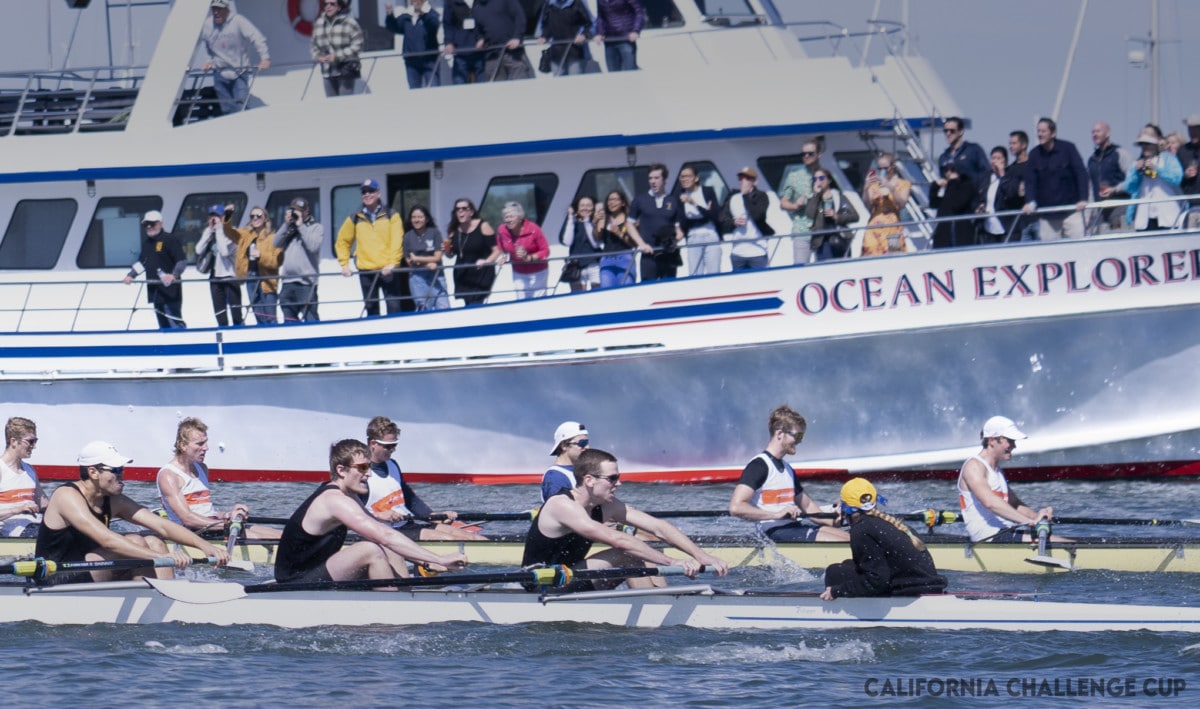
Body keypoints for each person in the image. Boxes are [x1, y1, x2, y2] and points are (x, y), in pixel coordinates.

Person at [521, 447, 728, 591]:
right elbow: (618, 539)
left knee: (645, 547)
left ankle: (663, 600)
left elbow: (658, 527)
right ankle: (655, 608)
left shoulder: (606, 506)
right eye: (612, 478)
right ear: (589, 480)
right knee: (628, 552)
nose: (618, 484)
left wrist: (701, 555)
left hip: (572, 577)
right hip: (543, 583)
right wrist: (672, 562)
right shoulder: (562, 505)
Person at [275, 439, 468, 583]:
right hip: (295, 579)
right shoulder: (334, 500)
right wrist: (439, 559)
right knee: (369, 549)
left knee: (384, 545)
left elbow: (382, 534)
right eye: (363, 467)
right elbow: (384, 534)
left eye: (369, 467)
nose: (369, 474)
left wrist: (425, 562)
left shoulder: (350, 496)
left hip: (318, 570)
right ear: (341, 470)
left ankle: (405, 594)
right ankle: (396, 613)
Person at [35, 441, 228, 584]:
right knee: (136, 541)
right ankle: (152, 597)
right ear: (93, 472)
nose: (121, 475)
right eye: (116, 470)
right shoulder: (66, 496)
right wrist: (161, 558)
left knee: (154, 541)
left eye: (122, 469)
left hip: (92, 569)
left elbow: (162, 525)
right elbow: (108, 541)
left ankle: (164, 594)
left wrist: (205, 546)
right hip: (56, 575)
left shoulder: (112, 499)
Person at [728, 405, 848, 542]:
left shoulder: (788, 469)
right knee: (845, 543)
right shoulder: (759, 466)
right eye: (797, 435)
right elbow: (736, 507)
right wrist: (776, 514)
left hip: (793, 527)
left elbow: (808, 507)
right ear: (780, 434)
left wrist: (838, 519)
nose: (800, 440)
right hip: (772, 533)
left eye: (801, 435)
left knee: (851, 538)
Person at [819, 478, 947, 600]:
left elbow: (877, 582)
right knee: (849, 564)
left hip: (910, 591)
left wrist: (837, 591)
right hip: (929, 585)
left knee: (834, 572)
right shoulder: (891, 522)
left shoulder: (861, 529)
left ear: (845, 507)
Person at [359, 416, 484, 541]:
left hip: (405, 525)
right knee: (449, 539)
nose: (393, 450)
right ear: (373, 444)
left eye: (395, 445)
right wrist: (377, 515)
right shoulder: (361, 471)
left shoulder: (393, 464)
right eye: (389, 446)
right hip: (383, 532)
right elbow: (347, 509)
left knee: (473, 537)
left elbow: (411, 500)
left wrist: (434, 516)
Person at [156, 417, 280, 541]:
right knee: (263, 537)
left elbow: (206, 512)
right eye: (200, 444)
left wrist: (228, 515)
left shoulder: (202, 468)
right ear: (183, 445)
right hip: (190, 535)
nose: (206, 448)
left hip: (209, 529)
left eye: (205, 442)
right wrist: (226, 525)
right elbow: (187, 519)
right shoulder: (169, 476)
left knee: (282, 535)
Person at [957, 415, 1061, 543]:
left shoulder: (997, 472)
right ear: (991, 440)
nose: (1014, 446)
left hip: (1004, 530)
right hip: (987, 536)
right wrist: (1030, 522)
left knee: (1065, 541)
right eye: (1010, 441)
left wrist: (1039, 517)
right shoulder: (974, 466)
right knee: (1061, 543)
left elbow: (1015, 505)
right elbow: (990, 502)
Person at [337, 178, 405, 317]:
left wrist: (393, 263)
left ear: (378, 193)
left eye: (371, 191)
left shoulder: (392, 215)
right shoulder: (355, 217)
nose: (367, 195)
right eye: (364, 192)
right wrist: (344, 264)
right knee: (372, 310)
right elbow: (343, 241)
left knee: (394, 307)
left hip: (388, 270)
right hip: (366, 271)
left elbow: (397, 241)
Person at [194, 0, 269, 115]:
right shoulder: (207, 26)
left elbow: (257, 37)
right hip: (219, 72)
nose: (216, 12)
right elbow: (208, 46)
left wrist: (265, 58)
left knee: (242, 105)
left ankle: (248, 129)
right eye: (214, 9)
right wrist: (208, 61)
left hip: (239, 71)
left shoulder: (238, 21)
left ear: (227, 9)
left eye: (219, 9)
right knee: (227, 109)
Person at [1021, 117, 1089, 239]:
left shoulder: (1068, 149)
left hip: (1071, 211)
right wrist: (1030, 201)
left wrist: (1083, 198)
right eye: (1038, 131)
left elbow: (1081, 173)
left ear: (1053, 133)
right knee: (1050, 254)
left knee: (1079, 248)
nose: (1039, 134)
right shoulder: (1034, 154)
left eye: (1043, 131)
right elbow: (1030, 181)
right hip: (1047, 216)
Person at [123, 210, 186, 329]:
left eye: (151, 223)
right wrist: (131, 275)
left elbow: (181, 261)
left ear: (160, 223)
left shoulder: (170, 239)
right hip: (155, 292)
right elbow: (142, 263)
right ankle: (168, 346)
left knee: (175, 322)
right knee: (163, 326)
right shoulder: (147, 243)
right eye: (146, 224)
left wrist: (174, 275)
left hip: (170, 291)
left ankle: (183, 344)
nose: (148, 226)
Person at [1122, 127, 1184, 232]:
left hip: (1168, 217)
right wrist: (1136, 172)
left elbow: (1177, 178)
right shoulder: (1136, 163)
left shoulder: (1168, 159)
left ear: (1155, 145)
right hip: (1145, 219)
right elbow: (1129, 188)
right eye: (1142, 144)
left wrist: (1157, 170)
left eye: (1148, 144)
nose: (1145, 147)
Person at [630, 163, 684, 280]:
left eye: (656, 178)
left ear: (665, 179)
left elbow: (679, 230)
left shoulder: (673, 200)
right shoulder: (640, 199)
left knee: (669, 290)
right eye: (650, 178)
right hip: (648, 255)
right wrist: (641, 244)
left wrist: (674, 240)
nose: (653, 181)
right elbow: (629, 224)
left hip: (669, 255)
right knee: (648, 291)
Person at [274, 196, 323, 323]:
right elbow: (275, 243)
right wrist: (286, 224)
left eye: (300, 211)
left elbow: (313, 246)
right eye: (294, 210)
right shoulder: (289, 228)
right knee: (289, 322)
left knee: (311, 321)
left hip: (306, 284)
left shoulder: (316, 227)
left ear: (307, 211)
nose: (297, 213)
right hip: (287, 283)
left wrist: (301, 225)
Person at [194, 203, 244, 327]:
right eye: (211, 216)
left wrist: (220, 230)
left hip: (230, 277)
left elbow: (224, 251)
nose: (213, 219)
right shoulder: (210, 232)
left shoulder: (233, 232)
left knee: (236, 313)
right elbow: (198, 250)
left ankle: (240, 336)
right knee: (220, 314)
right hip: (215, 278)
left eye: (217, 216)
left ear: (223, 218)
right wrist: (210, 231)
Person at [445, 198, 501, 305]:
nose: (460, 211)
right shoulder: (453, 230)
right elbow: (451, 255)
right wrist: (446, 251)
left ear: (471, 212)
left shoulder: (483, 226)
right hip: (462, 274)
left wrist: (486, 261)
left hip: (480, 273)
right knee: (469, 305)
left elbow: (496, 250)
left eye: (464, 208)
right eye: (458, 209)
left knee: (475, 304)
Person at [719, 166, 775, 269]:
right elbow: (722, 220)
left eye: (747, 178)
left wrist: (745, 196)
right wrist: (733, 222)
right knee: (739, 284)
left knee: (759, 283)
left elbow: (758, 215)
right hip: (737, 253)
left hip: (758, 252)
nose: (742, 181)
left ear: (755, 182)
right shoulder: (733, 198)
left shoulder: (762, 196)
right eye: (741, 178)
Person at [234, 205, 282, 325]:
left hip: (267, 280)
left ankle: (274, 340)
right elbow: (229, 232)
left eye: (258, 215)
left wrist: (260, 255)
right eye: (252, 216)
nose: (255, 218)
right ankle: (264, 339)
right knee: (258, 315)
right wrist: (227, 217)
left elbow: (275, 262)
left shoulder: (273, 237)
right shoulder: (246, 236)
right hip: (250, 277)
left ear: (265, 218)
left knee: (270, 316)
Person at [0, 417, 47, 539]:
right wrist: (18, 509)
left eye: (35, 441)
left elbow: (45, 505)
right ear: (14, 441)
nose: (34, 446)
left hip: (36, 525)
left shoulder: (29, 470)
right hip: (12, 531)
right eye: (30, 441)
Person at [594, 190, 652, 287]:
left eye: (615, 200)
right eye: (609, 200)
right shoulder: (605, 218)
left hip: (625, 258)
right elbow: (597, 238)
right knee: (606, 289)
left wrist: (619, 233)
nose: (611, 202)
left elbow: (634, 244)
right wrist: (595, 223)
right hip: (607, 259)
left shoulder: (629, 220)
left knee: (627, 287)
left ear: (623, 203)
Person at [859, 153, 911, 256]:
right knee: (871, 255)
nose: (883, 171)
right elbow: (867, 205)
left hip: (893, 227)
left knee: (894, 257)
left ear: (893, 167)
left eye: (886, 168)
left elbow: (902, 204)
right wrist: (865, 188)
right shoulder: (874, 185)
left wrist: (891, 188)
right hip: (874, 227)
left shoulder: (903, 184)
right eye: (880, 168)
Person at [496, 202, 550, 299]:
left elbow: (545, 250)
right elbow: (501, 248)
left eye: (511, 217)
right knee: (521, 299)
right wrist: (503, 257)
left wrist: (529, 257)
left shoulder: (533, 229)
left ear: (520, 218)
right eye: (506, 217)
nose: (508, 220)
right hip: (518, 271)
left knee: (538, 301)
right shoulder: (502, 230)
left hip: (538, 271)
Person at [675, 164, 721, 276]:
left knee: (714, 274)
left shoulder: (707, 191)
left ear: (696, 178)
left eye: (688, 176)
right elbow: (682, 221)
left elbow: (715, 215)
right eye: (682, 176)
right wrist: (704, 212)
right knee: (695, 274)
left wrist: (693, 203)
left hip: (710, 234)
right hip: (693, 236)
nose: (684, 179)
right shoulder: (679, 196)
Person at [312, 0, 365, 97]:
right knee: (331, 108)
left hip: (346, 71)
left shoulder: (349, 22)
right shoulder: (319, 24)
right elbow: (314, 47)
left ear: (339, 7)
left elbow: (358, 45)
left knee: (345, 106)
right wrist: (318, 57)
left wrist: (337, 56)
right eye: (325, 4)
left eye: (332, 4)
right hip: (327, 73)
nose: (328, 6)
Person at [779, 141, 821, 265]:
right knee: (801, 269)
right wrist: (796, 206)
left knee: (827, 270)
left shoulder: (827, 175)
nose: (806, 156)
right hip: (802, 229)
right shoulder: (793, 176)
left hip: (824, 230)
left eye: (810, 153)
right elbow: (783, 203)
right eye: (803, 154)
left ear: (819, 154)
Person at [384, 0, 441, 89]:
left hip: (429, 60)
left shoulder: (431, 14)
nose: (415, 2)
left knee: (434, 89)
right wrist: (389, 15)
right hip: (411, 61)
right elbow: (395, 27)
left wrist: (424, 14)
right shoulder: (406, 16)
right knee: (415, 92)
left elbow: (434, 26)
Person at [402, 205, 450, 310]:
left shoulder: (435, 233)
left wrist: (418, 259)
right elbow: (409, 261)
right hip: (418, 278)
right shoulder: (407, 236)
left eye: (420, 217)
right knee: (423, 307)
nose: (416, 220)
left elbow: (437, 257)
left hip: (436, 275)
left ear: (427, 219)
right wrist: (428, 263)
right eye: (414, 217)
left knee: (443, 306)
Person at [473, 0, 534, 82]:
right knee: (495, 90)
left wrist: (517, 37)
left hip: (513, 53)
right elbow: (478, 30)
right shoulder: (477, 7)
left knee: (521, 87)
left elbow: (520, 17)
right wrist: (480, 39)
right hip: (492, 55)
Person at [804, 168, 857, 261]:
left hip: (840, 239)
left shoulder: (839, 197)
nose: (817, 181)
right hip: (822, 241)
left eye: (821, 178)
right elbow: (809, 214)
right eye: (815, 179)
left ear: (829, 180)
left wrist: (837, 216)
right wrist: (816, 195)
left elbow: (855, 216)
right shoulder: (813, 199)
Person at [1087, 121, 1130, 233]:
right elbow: (1091, 188)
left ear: (1107, 133)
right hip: (1100, 210)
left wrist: (1115, 189)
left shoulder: (1120, 153)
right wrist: (1089, 212)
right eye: (1093, 132)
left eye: (1098, 131)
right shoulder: (1092, 160)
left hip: (1120, 207)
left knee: (1121, 242)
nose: (1095, 134)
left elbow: (1132, 180)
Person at [975, 146, 1023, 244]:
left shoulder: (1012, 174)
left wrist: (1002, 175)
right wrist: (978, 207)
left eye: (998, 158)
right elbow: (977, 196)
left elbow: (1011, 194)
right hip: (988, 227)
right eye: (993, 158)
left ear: (1005, 160)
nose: (995, 161)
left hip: (1006, 227)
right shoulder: (985, 177)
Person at [537, 0, 593, 76]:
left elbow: (590, 23)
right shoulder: (549, 5)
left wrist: (583, 35)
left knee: (575, 81)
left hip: (575, 50)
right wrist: (544, 36)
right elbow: (546, 26)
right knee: (559, 83)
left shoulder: (577, 3)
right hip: (556, 52)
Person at [929, 163, 977, 249]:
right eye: (946, 170)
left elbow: (957, 204)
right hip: (943, 232)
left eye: (952, 170)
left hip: (960, 232)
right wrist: (935, 186)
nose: (949, 173)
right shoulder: (948, 187)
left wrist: (953, 182)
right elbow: (933, 203)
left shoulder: (967, 186)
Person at [560, 195, 602, 291]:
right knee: (577, 296)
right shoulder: (572, 223)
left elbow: (595, 243)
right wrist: (571, 218)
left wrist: (587, 221)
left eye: (588, 205)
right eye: (582, 205)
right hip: (576, 266)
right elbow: (567, 242)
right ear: (577, 208)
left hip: (593, 264)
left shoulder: (597, 221)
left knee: (598, 293)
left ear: (593, 207)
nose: (585, 208)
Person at [936, 116, 989, 189]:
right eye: (945, 131)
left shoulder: (973, 150)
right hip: (954, 198)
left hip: (972, 197)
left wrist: (982, 196)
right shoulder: (943, 158)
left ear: (961, 131)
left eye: (952, 131)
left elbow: (986, 173)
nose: (948, 134)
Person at [443, 0, 488, 85]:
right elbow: (448, 24)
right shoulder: (451, 2)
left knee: (484, 85)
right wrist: (448, 42)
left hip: (481, 51)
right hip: (461, 51)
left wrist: (484, 38)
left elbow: (490, 20)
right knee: (459, 85)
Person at [542, 421, 588, 501]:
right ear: (564, 446)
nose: (587, 447)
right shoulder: (555, 477)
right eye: (582, 443)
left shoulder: (581, 470)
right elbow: (558, 510)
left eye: (587, 442)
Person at [594, 0, 644, 72]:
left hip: (626, 38)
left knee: (630, 71)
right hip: (609, 39)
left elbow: (639, 12)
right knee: (613, 73)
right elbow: (600, 16)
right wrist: (600, 32)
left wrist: (636, 30)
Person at [1007, 130, 1039, 241]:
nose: (1010, 146)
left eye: (1014, 143)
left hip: (1038, 217)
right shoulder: (1011, 169)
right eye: (1010, 143)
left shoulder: (1035, 164)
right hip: (1022, 221)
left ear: (1023, 144)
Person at [1180, 115, 1200, 227]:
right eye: (1190, 128)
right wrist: (1185, 175)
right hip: (1192, 207)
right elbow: (1176, 178)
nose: (1193, 132)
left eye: (1196, 128)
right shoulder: (1183, 151)